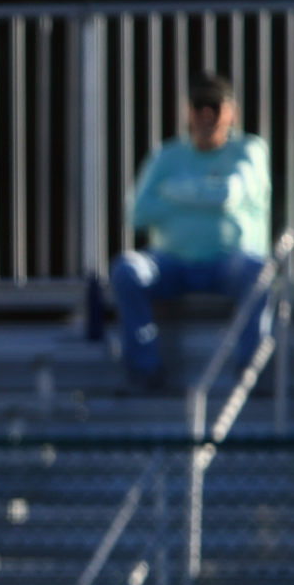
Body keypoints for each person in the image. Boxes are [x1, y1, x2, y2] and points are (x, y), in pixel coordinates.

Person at [110, 71, 273, 392]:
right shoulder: (166, 155)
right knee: (127, 270)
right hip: (171, 263)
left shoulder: (249, 150)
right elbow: (136, 214)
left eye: (214, 105)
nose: (206, 114)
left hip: (229, 264)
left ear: (232, 112)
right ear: (188, 111)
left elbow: (229, 194)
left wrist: (172, 194)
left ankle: (249, 373)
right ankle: (145, 370)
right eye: (199, 105)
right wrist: (205, 195)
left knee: (259, 271)